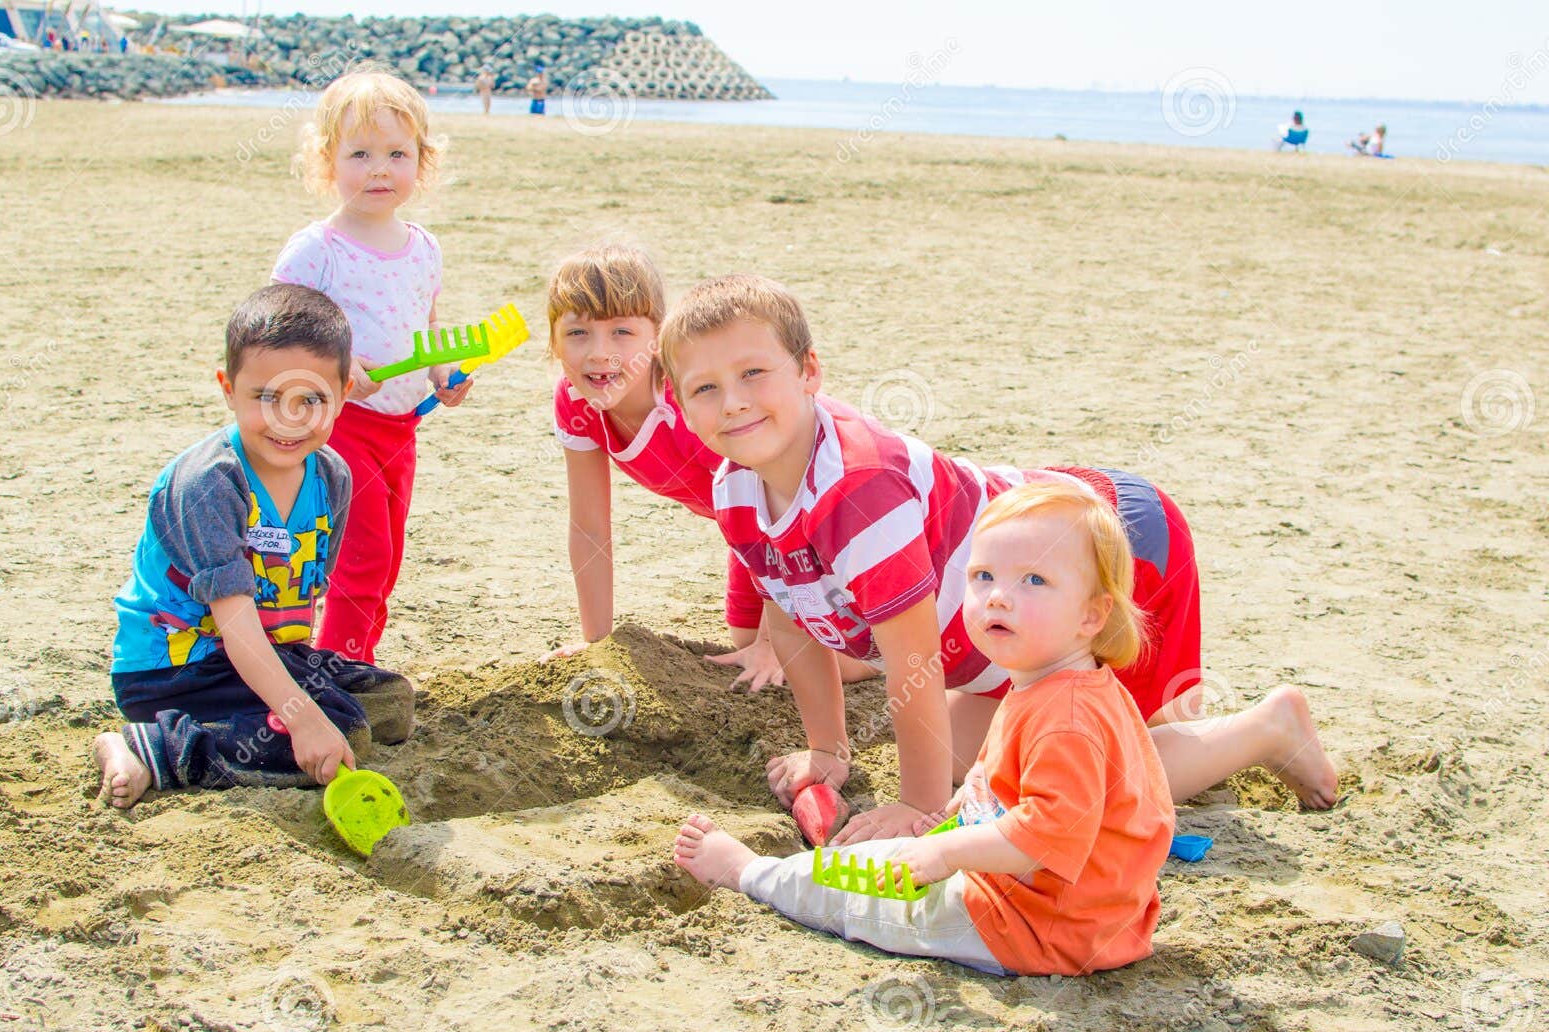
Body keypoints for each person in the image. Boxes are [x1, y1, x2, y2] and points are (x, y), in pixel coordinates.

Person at [658, 274, 1338, 845]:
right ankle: (1170, 727)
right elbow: (790, 619)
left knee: (1084, 785)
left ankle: (1269, 727)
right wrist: (828, 752)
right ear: (680, 404)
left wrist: (918, 811)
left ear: (809, 372)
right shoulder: (734, 488)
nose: (735, 401)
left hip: (1111, 547)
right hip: (1009, 615)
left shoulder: (861, 493)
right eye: (706, 388)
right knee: (977, 765)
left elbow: (912, 658)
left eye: (753, 373)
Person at [674, 480, 1175, 976]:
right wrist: (973, 796)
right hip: (1085, 915)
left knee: (857, 898)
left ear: (1092, 614)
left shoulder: (1067, 720)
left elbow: (1048, 838)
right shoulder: (1060, 684)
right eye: (983, 576)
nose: (998, 597)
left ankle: (748, 873)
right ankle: (793, 871)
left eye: (1034, 580)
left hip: (1032, 924)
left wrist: (945, 850)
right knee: (883, 861)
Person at [95, 284, 414, 810]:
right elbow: (235, 625)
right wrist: (304, 716)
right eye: (266, 397)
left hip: (262, 652)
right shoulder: (210, 484)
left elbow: (303, 596)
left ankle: (256, 716)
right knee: (338, 734)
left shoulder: (331, 475)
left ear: (345, 391)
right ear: (228, 388)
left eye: (310, 400)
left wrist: (304, 690)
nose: (289, 420)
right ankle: (156, 745)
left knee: (389, 701)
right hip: (180, 668)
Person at [541, 243, 875, 690]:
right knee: (744, 640)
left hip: (830, 517)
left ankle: (888, 649)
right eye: (578, 333)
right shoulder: (576, 403)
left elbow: (779, 503)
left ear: (658, 337)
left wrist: (775, 644)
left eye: (622, 331)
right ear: (552, 340)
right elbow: (589, 528)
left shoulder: (696, 399)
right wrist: (598, 642)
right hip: (752, 534)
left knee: (810, 659)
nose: (600, 353)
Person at [272, 63, 472, 665]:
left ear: (422, 161)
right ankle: (338, 671)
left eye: (397, 153)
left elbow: (425, 328)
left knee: (385, 561)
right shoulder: (317, 250)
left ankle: (354, 662)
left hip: (401, 427)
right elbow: (274, 336)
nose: (380, 169)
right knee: (362, 556)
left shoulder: (424, 248)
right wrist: (334, 365)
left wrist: (444, 374)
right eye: (360, 153)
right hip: (338, 429)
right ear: (326, 161)